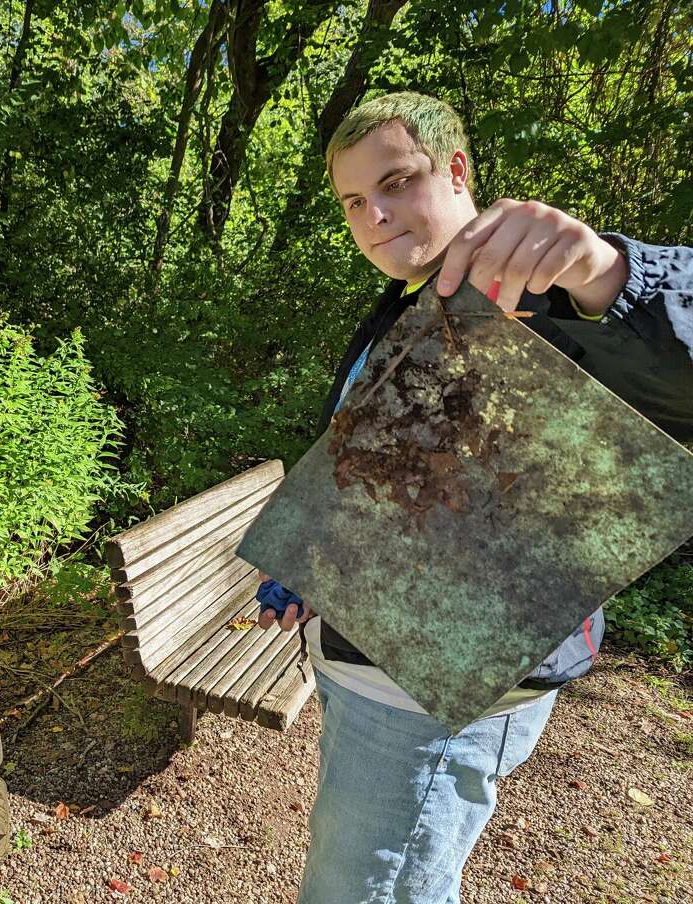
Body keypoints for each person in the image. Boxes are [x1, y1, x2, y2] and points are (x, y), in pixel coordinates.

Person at [258, 92, 693, 904]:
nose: (374, 215)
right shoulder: (415, 299)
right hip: (369, 658)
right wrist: (311, 559)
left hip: (427, 697)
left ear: (457, 170)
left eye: (397, 181)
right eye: (355, 200)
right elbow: (398, 473)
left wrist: (608, 272)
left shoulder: (546, 290)